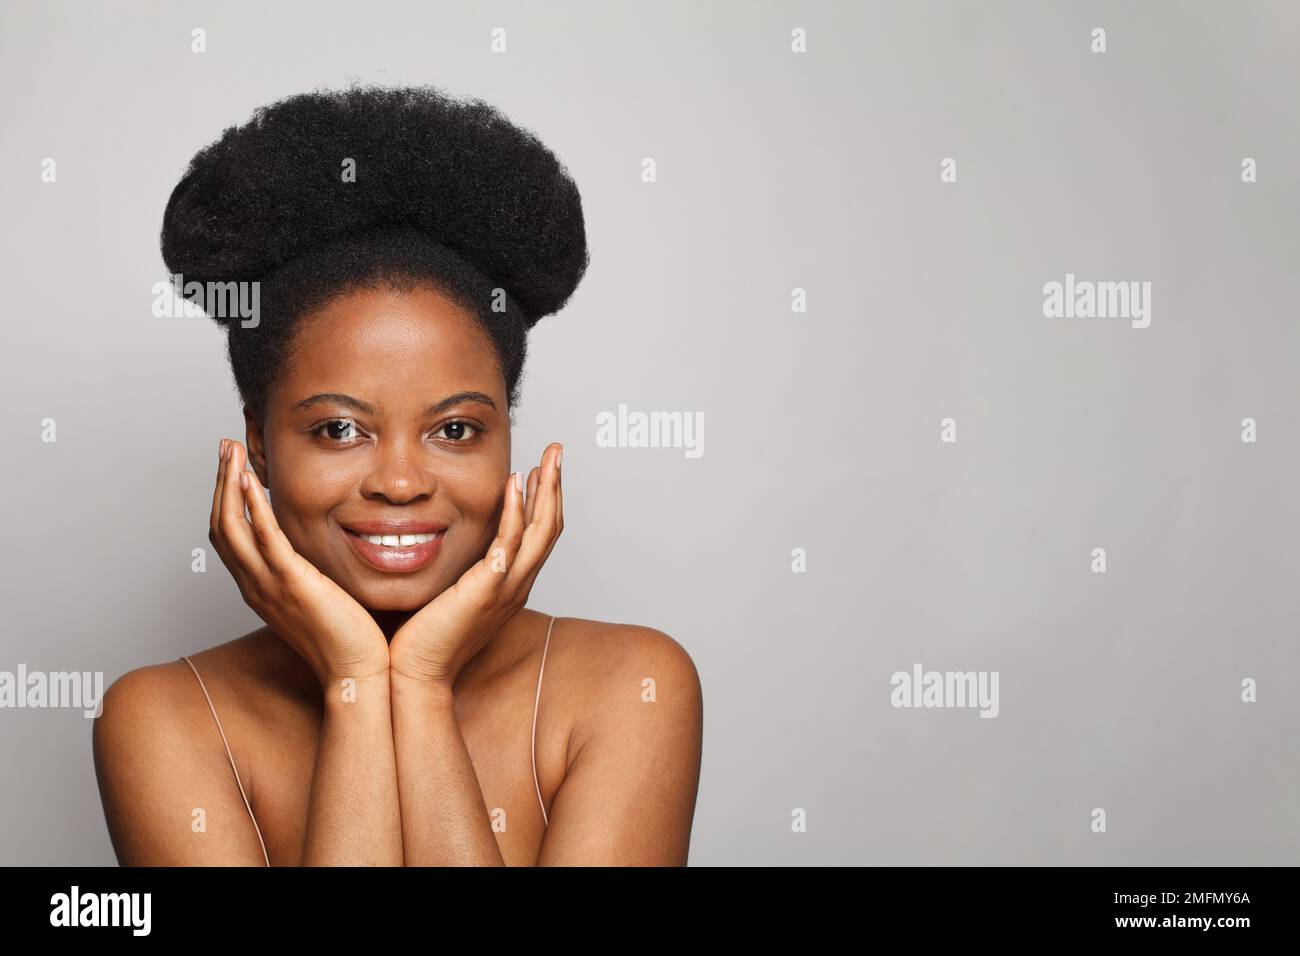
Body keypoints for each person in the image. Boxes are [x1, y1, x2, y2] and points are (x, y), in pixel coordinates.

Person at [91, 85, 703, 866]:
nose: (402, 483)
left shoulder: (633, 688)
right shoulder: (164, 718)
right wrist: (356, 681)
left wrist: (418, 685)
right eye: (339, 428)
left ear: (508, 439)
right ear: (260, 446)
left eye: (455, 429)